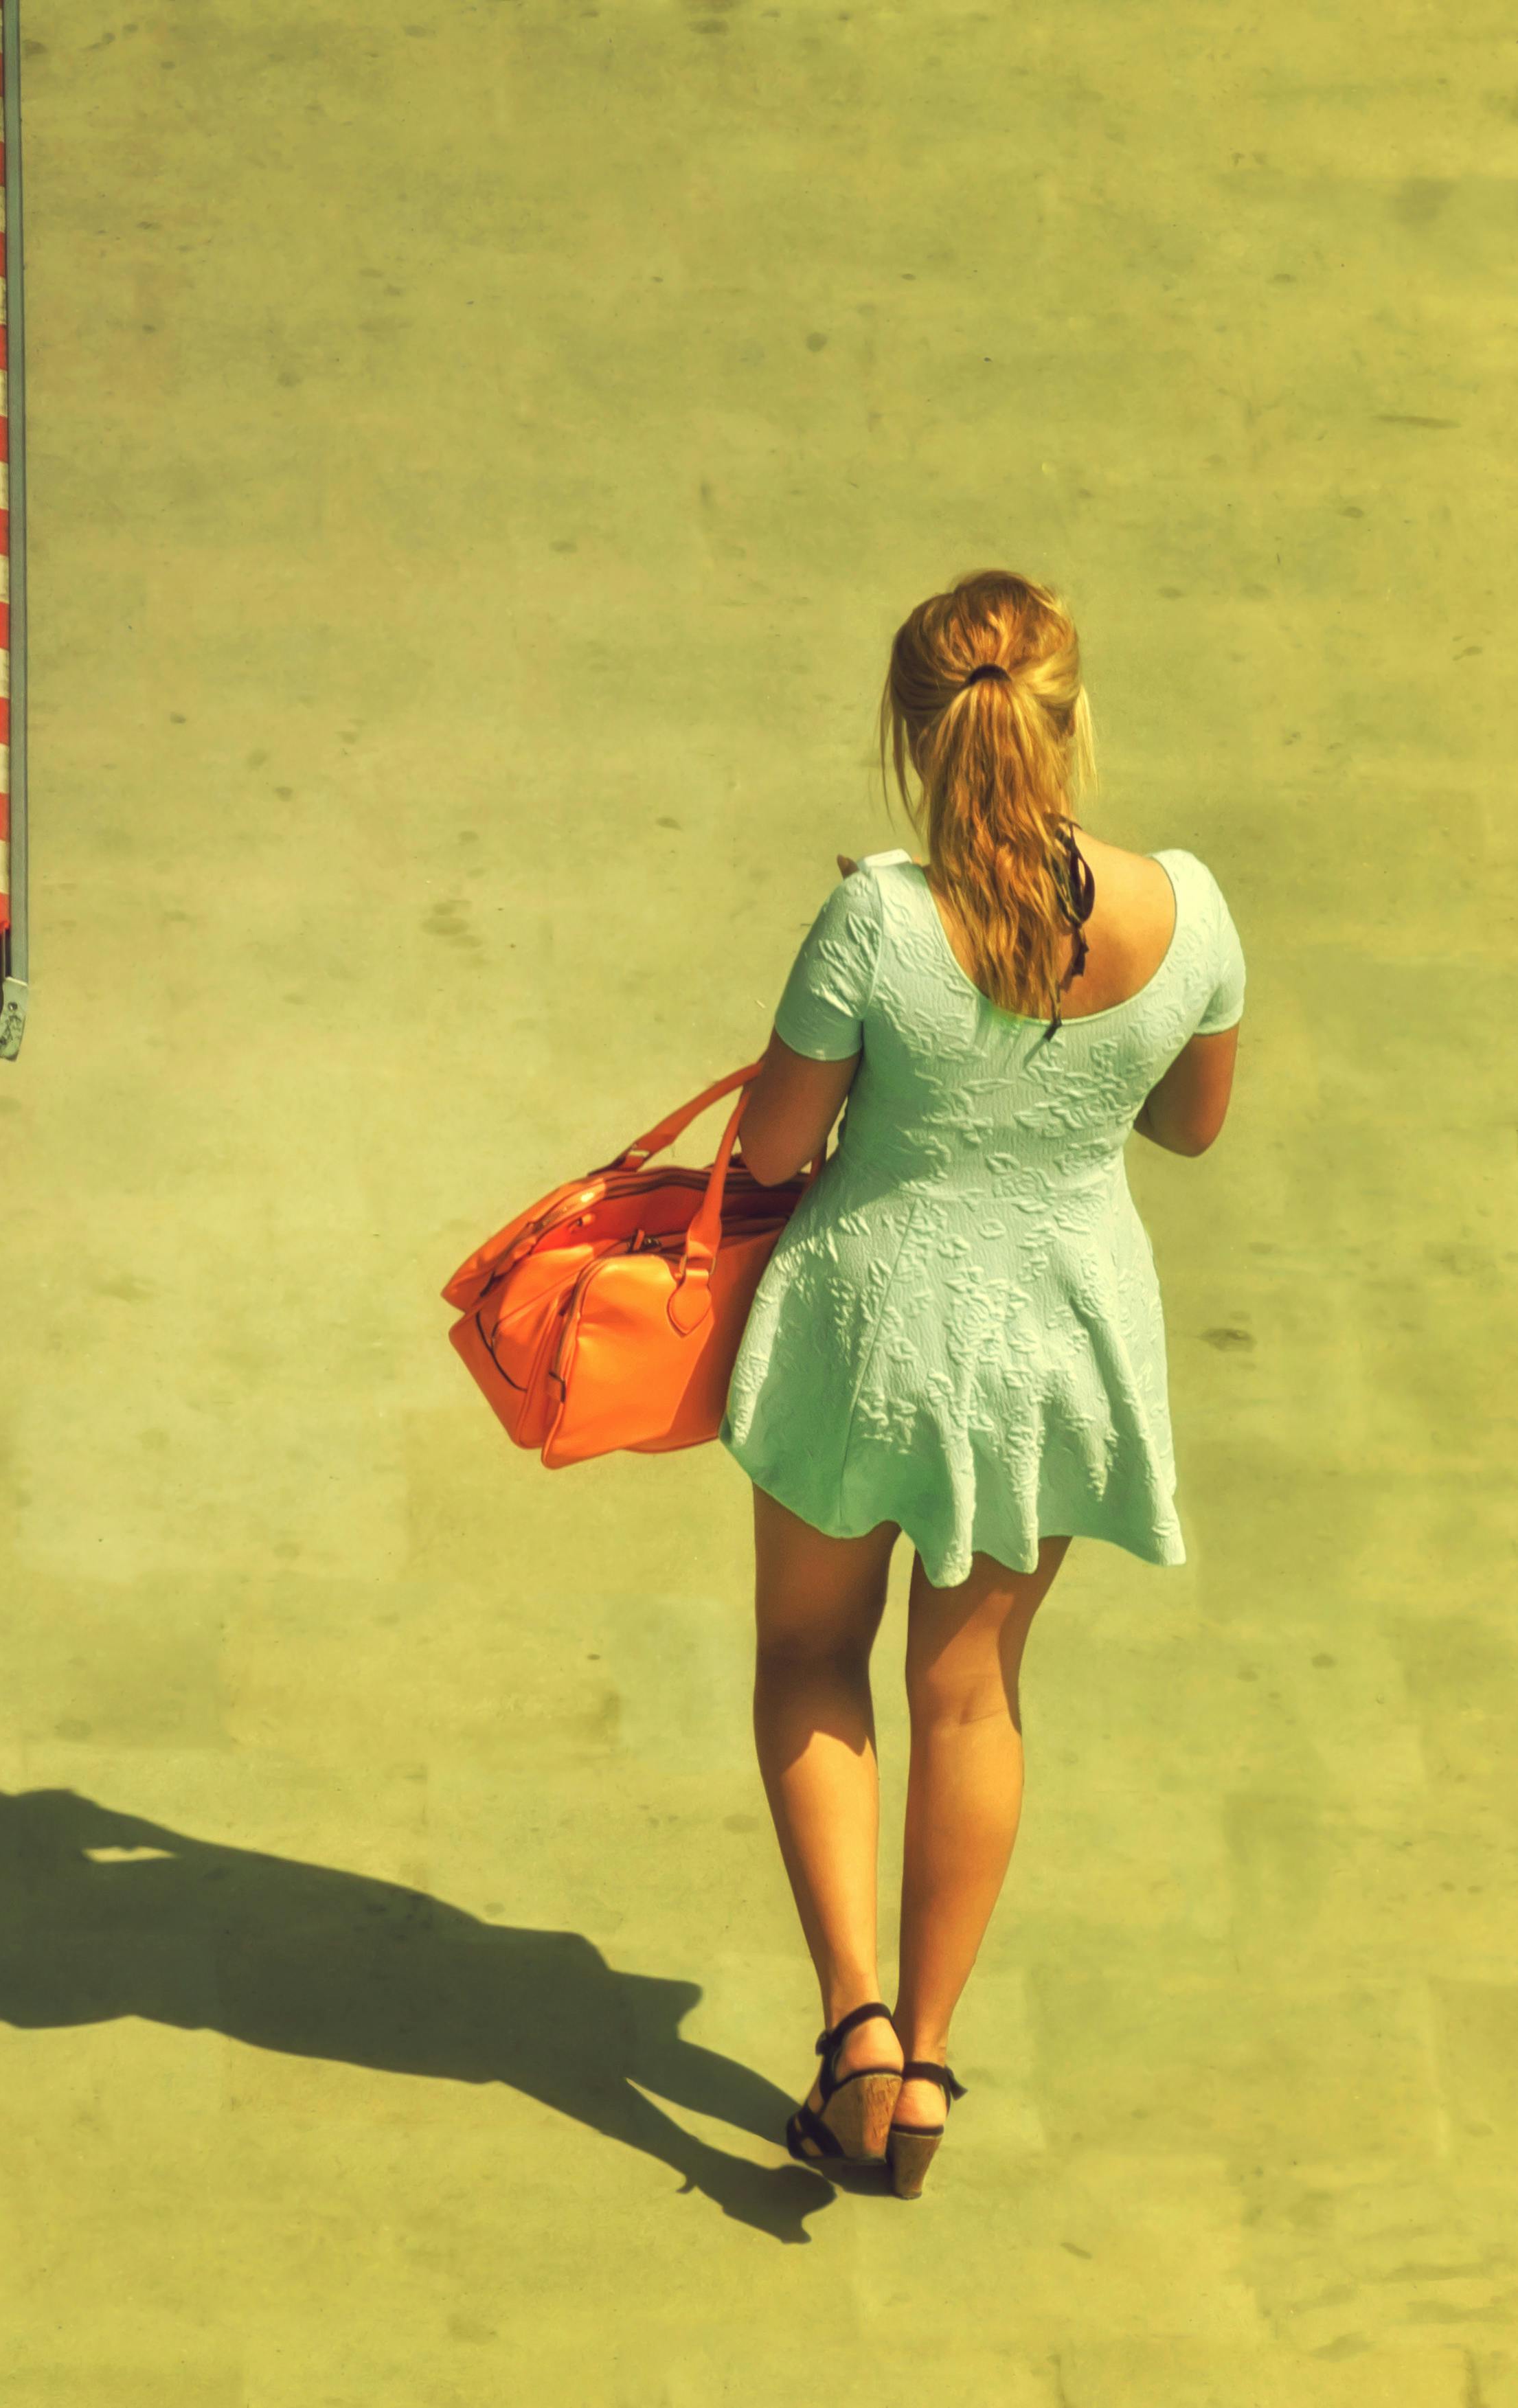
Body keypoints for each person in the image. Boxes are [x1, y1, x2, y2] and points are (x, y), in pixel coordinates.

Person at [716, 567, 1247, 2199]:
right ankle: (930, 2059)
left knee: (812, 1656)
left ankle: (853, 2033)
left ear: (910, 731)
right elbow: (1189, 1124)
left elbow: (773, 1147)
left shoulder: (874, 914)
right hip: (1058, 1345)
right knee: (972, 1692)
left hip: (864, 1335)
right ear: (1071, 716)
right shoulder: (1190, 915)